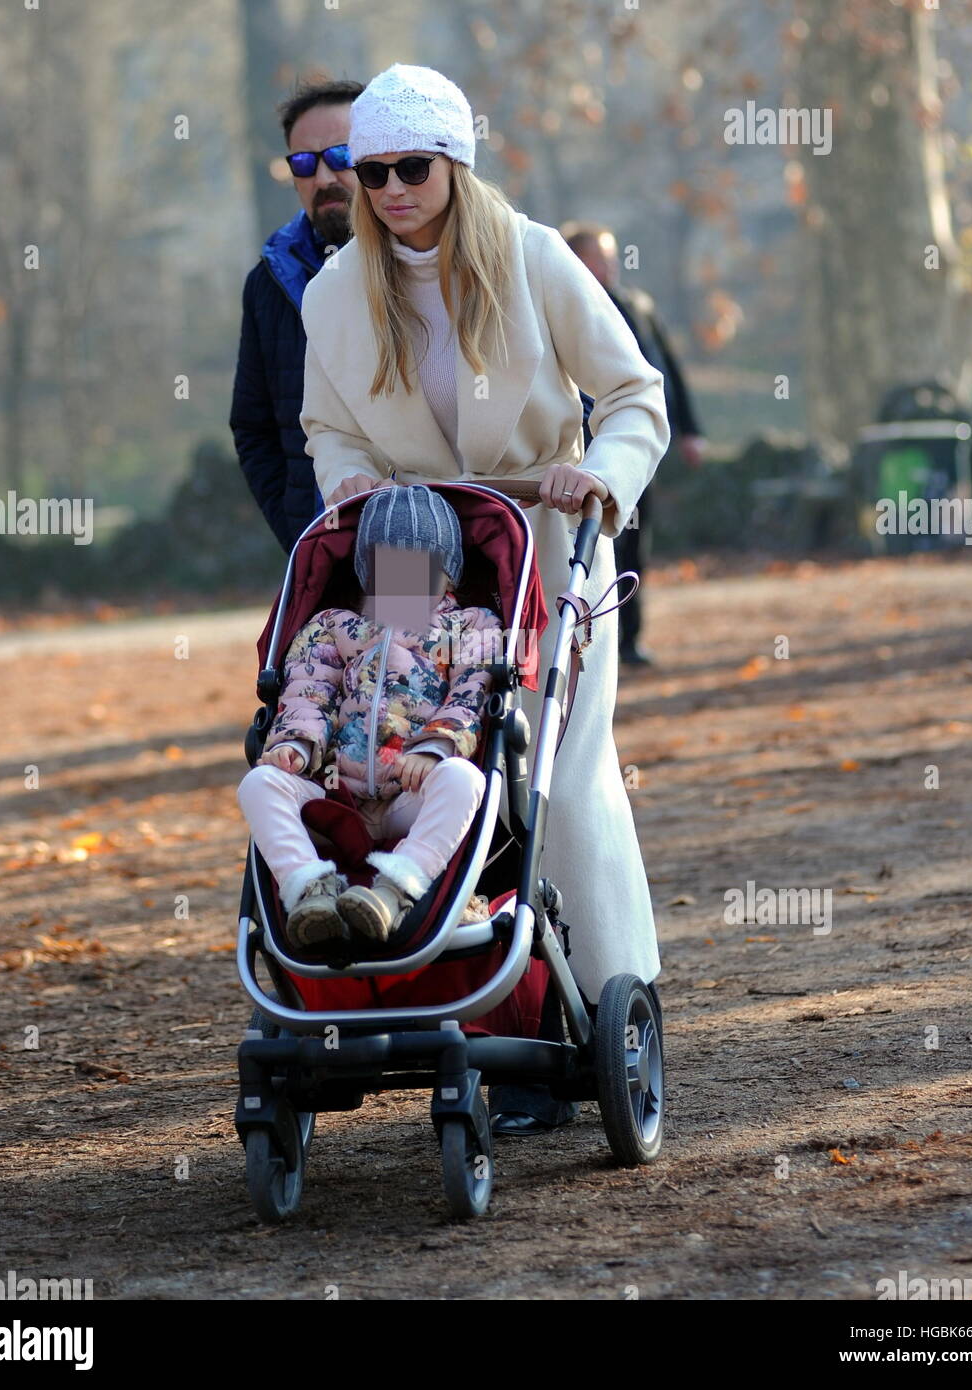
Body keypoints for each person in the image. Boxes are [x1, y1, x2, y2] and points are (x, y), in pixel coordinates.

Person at [298, 64, 670, 1133]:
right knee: (432, 775)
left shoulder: (534, 260)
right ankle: (489, 1012)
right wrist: (351, 489)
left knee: (554, 781)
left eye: (412, 167)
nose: (390, 190)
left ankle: (611, 1002)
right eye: (372, 172)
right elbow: (327, 430)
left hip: (549, 550)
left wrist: (598, 473)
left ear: (454, 163)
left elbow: (634, 392)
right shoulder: (334, 295)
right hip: (417, 572)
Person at [237, 484, 502, 950]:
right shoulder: (334, 628)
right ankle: (310, 891)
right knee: (258, 784)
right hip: (339, 797)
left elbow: (472, 691)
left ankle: (396, 892)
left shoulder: (472, 626)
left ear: (448, 576)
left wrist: (436, 745)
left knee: (465, 781)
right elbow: (307, 691)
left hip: (412, 795)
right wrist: (295, 744)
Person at [230, 79, 364, 553]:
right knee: (323, 632)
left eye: (341, 155)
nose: (324, 178)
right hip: (321, 540)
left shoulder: (426, 262)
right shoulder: (268, 283)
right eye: (304, 163)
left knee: (402, 625)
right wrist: (297, 529)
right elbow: (253, 427)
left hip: (412, 535)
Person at [565, 222, 706, 667]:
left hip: (638, 451)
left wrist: (690, 430)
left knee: (635, 543)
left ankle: (631, 639)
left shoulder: (639, 305)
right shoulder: (572, 306)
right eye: (596, 258)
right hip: (589, 453)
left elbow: (668, 374)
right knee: (598, 548)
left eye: (610, 257)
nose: (606, 266)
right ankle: (591, 640)